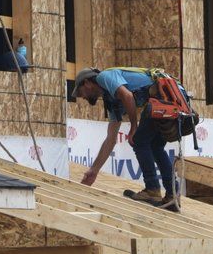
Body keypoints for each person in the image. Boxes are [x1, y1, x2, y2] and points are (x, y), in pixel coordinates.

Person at [70, 65, 180, 211]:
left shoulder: (104, 77)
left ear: (87, 83)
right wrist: (94, 170)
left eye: (81, 92)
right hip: (171, 98)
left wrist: (133, 127)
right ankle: (173, 195)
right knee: (155, 146)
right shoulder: (111, 101)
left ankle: (152, 190)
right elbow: (111, 139)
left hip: (165, 98)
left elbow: (128, 96)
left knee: (139, 141)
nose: (82, 97)